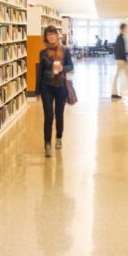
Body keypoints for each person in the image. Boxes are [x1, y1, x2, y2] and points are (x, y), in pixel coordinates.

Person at [37, 25, 74, 157]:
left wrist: (62, 68)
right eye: (48, 34)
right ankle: (47, 144)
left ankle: (58, 137)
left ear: (57, 36)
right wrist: (37, 90)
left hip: (61, 87)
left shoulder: (65, 50)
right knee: (48, 116)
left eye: (53, 34)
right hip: (46, 87)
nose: (51, 36)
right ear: (46, 37)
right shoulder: (43, 52)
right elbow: (40, 71)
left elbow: (71, 65)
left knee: (59, 114)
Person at [111, 22, 128, 99]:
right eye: (126, 28)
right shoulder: (120, 38)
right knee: (125, 74)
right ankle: (115, 92)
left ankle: (115, 92)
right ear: (123, 28)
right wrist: (125, 59)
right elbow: (120, 50)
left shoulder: (120, 37)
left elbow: (117, 49)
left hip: (120, 59)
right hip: (121, 59)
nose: (126, 29)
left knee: (121, 74)